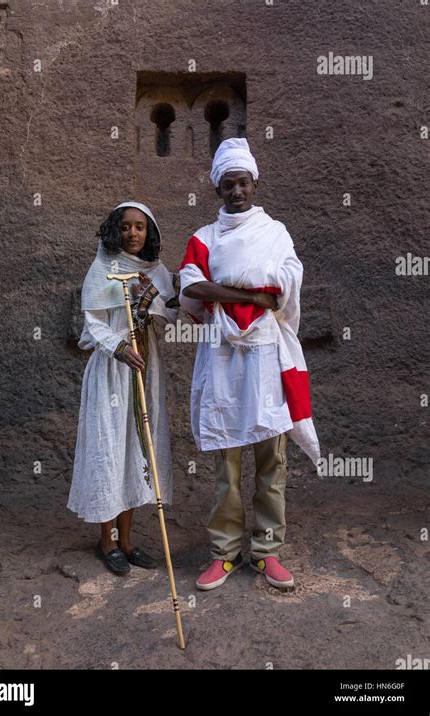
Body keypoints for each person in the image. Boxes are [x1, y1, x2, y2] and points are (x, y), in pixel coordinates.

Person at [179, 138, 320, 591]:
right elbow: (192, 287)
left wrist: (251, 288)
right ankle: (223, 554)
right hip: (222, 358)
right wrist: (250, 293)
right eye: (227, 185)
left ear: (254, 184)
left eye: (242, 182)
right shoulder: (204, 237)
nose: (235, 191)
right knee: (227, 468)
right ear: (218, 190)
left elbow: (288, 278)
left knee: (270, 463)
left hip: (263, 357)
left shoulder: (275, 232)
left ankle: (266, 551)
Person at [68, 201, 179, 576]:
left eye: (141, 227)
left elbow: (170, 315)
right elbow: (94, 321)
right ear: (117, 229)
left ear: (150, 233)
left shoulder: (155, 271)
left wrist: (152, 301)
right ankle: (107, 540)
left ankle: (128, 542)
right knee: (110, 449)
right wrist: (117, 347)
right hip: (112, 370)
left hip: (145, 368)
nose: (134, 233)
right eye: (127, 226)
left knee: (137, 450)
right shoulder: (103, 268)